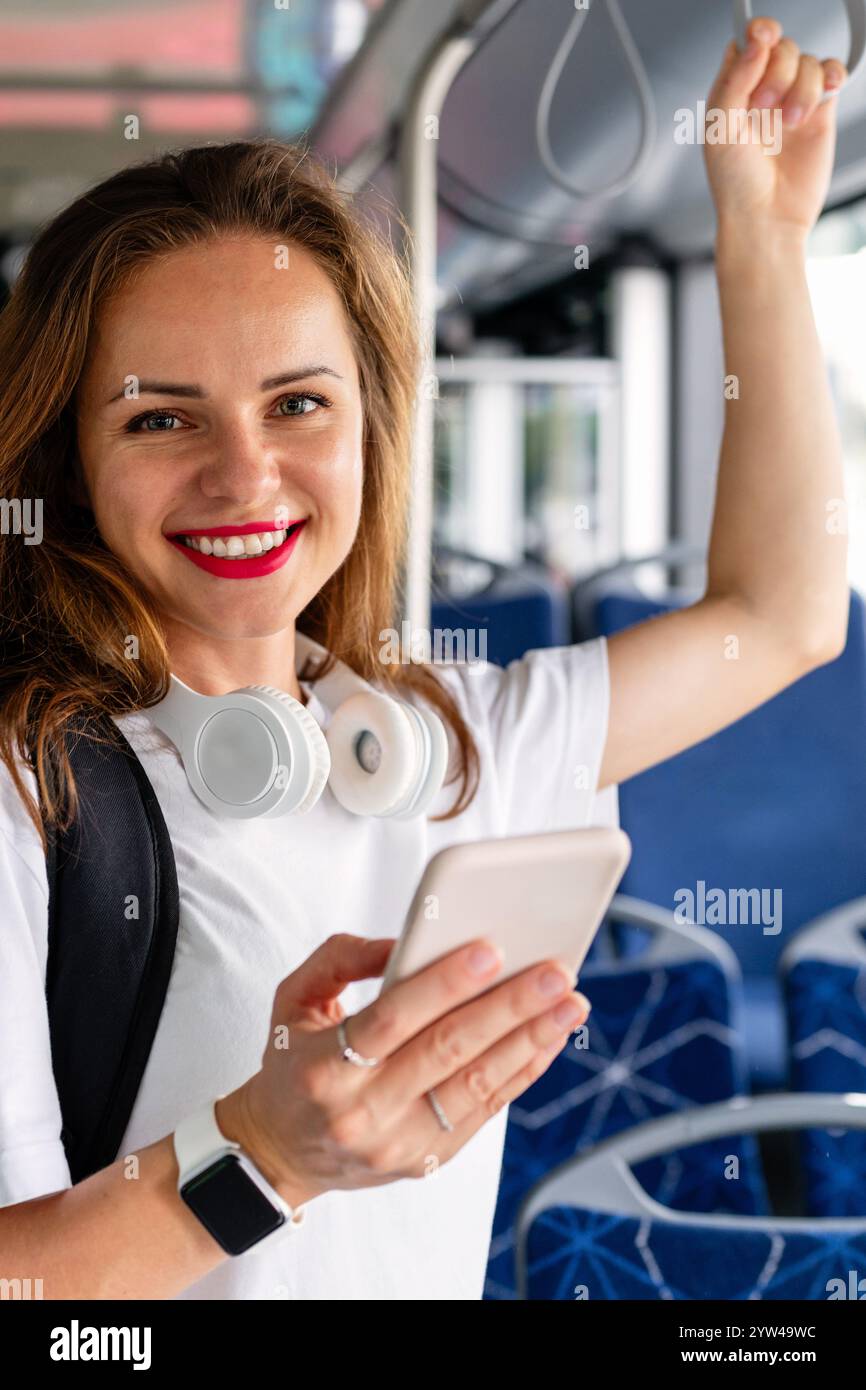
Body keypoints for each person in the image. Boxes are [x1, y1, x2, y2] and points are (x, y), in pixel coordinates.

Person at [0, 17, 850, 1300]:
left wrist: (763, 240)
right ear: (71, 457)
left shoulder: (453, 742)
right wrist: (265, 1154)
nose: (245, 475)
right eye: (162, 416)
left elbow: (781, 611)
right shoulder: (28, 785)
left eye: (298, 404)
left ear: (369, 436)